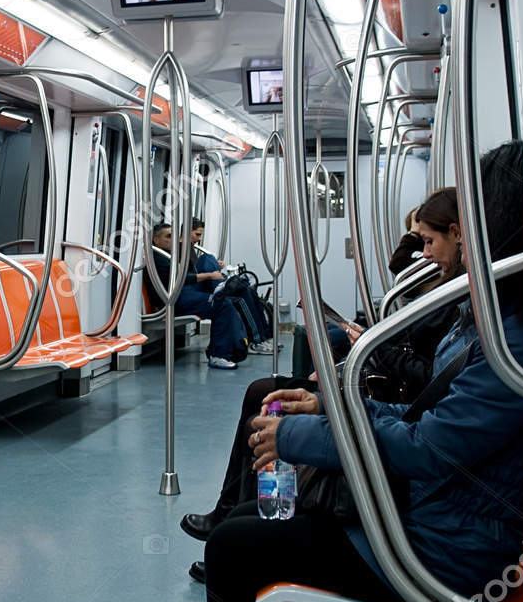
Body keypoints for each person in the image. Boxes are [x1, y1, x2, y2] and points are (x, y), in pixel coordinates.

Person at [161, 142, 523, 602]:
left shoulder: (512, 342)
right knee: (252, 524)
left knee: (237, 548)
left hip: (444, 549)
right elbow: (423, 414)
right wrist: (334, 409)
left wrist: (306, 434)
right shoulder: (493, 321)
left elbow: (425, 446)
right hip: (427, 508)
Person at [179, 187, 467, 558]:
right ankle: (229, 509)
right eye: (418, 239)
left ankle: (241, 523)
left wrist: (376, 350)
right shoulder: (445, 285)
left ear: (457, 234)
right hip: (389, 382)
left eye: (428, 240)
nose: (422, 252)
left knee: (267, 397)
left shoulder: (456, 298)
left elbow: (423, 378)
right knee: (261, 392)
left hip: (391, 392)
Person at [147, 223, 249, 369]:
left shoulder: (169, 255)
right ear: (156, 240)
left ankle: (219, 290)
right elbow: (179, 279)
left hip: (181, 294)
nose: (173, 240)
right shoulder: (157, 258)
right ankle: (219, 355)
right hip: (172, 300)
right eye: (168, 236)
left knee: (208, 261)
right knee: (223, 304)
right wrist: (209, 275)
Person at [188, 218, 272, 355]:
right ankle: (256, 341)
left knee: (249, 291)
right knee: (208, 259)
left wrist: (215, 267)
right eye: (197, 235)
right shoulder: (179, 250)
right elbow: (189, 276)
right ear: (186, 232)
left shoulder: (191, 250)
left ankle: (263, 338)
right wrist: (211, 272)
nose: (199, 239)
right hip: (192, 290)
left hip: (201, 285)